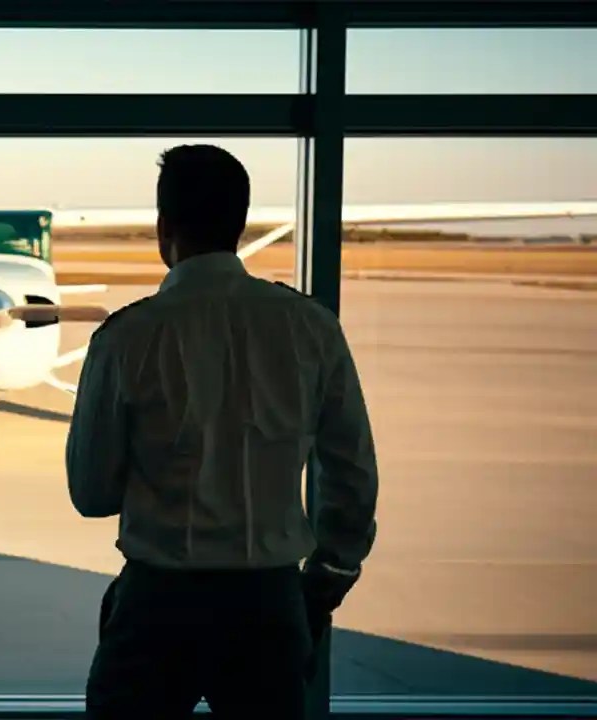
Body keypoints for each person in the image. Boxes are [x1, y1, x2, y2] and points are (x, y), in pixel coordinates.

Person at [65, 144, 379, 719]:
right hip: (269, 602)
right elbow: (350, 468)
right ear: (239, 223)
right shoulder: (311, 328)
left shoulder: (126, 337)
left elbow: (92, 495)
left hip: (157, 603)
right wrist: (330, 574)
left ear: (165, 228)